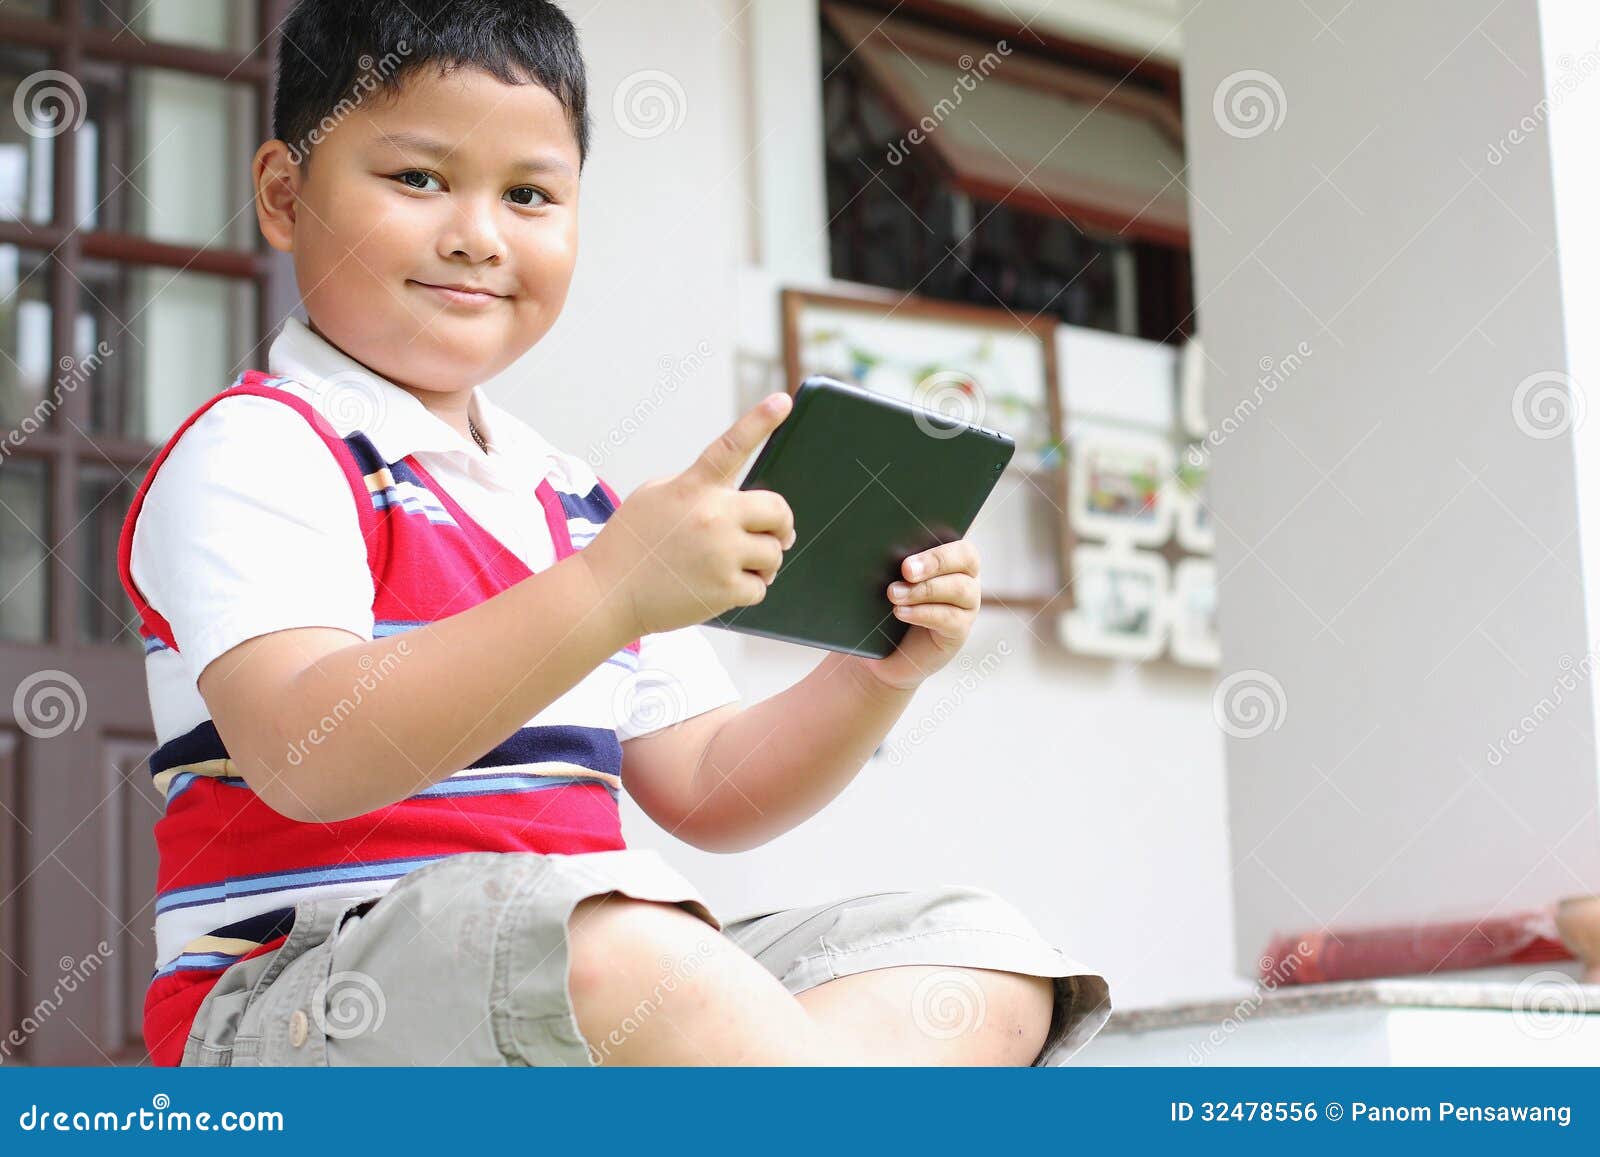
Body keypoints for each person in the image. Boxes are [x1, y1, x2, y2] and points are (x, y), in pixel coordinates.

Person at [117, 0, 1110, 1067]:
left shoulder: (577, 504)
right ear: (284, 193)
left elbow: (712, 784)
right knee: (635, 952)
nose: (478, 234)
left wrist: (877, 673)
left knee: (985, 962)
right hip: (307, 1003)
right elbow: (308, 755)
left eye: (529, 195)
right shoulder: (261, 445)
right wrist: (607, 591)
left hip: (583, 975)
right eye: (417, 178)